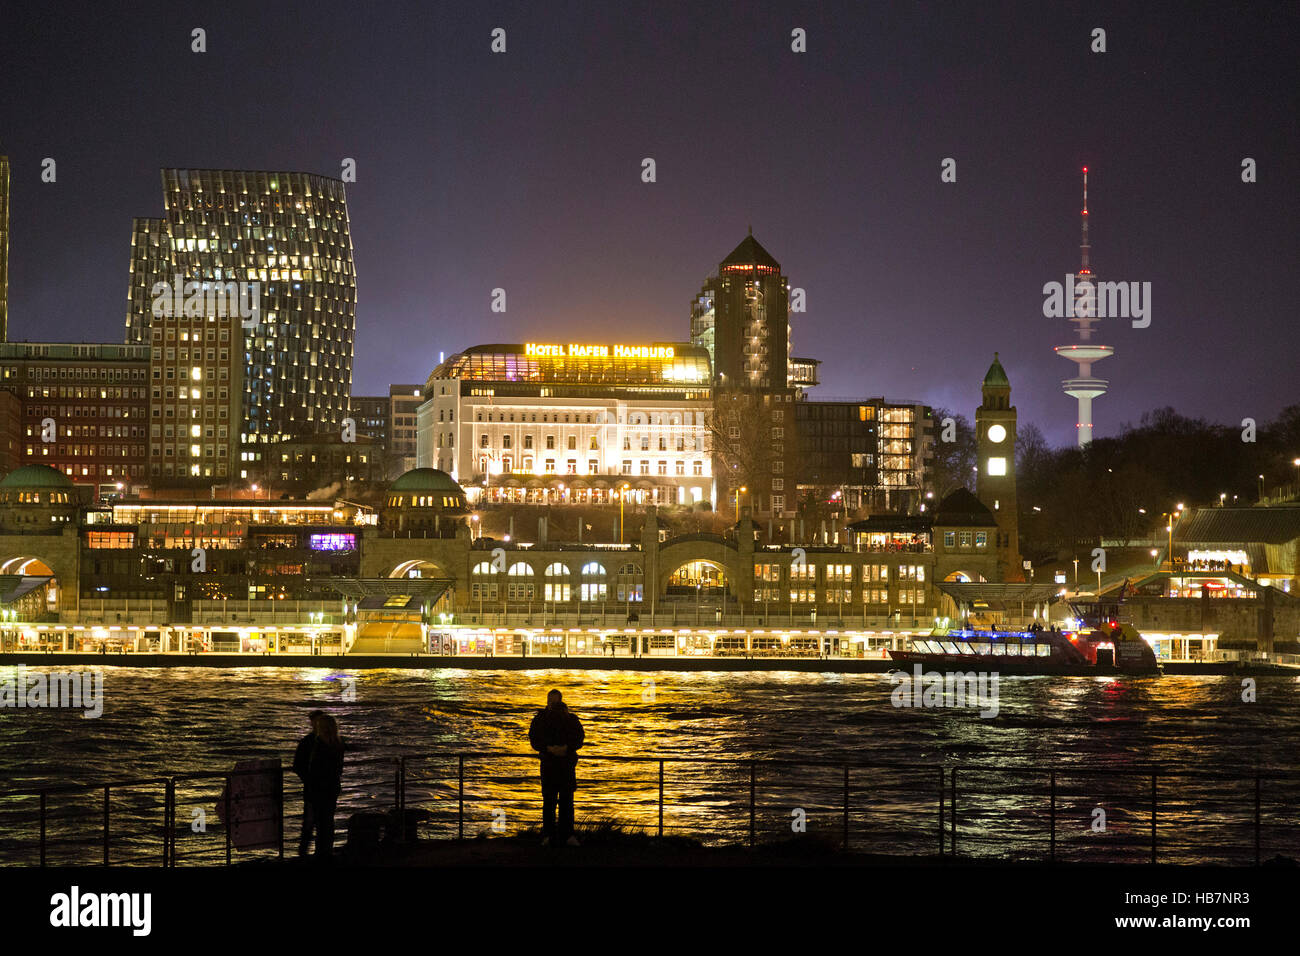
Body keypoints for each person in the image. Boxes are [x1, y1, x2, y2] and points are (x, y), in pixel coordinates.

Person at [528, 690, 585, 847]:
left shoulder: (570, 719)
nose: (552, 705)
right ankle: (549, 836)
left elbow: (579, 738)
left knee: (566, 801)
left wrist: (566, 748)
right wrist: (549, 749)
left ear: (560, 701)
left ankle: (567, 836)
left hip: (565, 765)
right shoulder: (541, 719)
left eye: (555, 702)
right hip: (549, 765)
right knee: (549, 802)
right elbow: (534, 739)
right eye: (550, 701)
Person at [293, 711, 344, 859]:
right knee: (326, 823)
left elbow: (301, 766)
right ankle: (324, 852)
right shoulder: (338, 743)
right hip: (331, 788)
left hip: (315, 789)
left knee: (310, 823)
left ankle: (306, 854)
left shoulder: (315, 743)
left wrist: (308, 780)